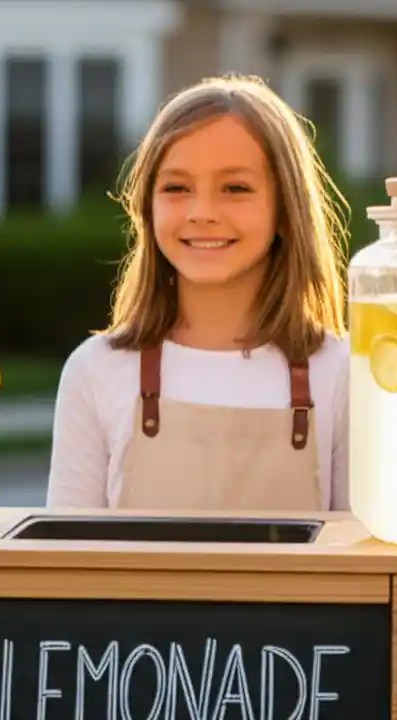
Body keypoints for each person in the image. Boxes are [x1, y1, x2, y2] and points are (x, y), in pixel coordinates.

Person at [46, 74, 352, 512]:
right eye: (176, 188)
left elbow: (362, 572)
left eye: (235, 189)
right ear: (146, 208)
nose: (202, 212)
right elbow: (65, 567)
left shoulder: (340, 374)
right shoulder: (95, 371)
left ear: (286, 210)